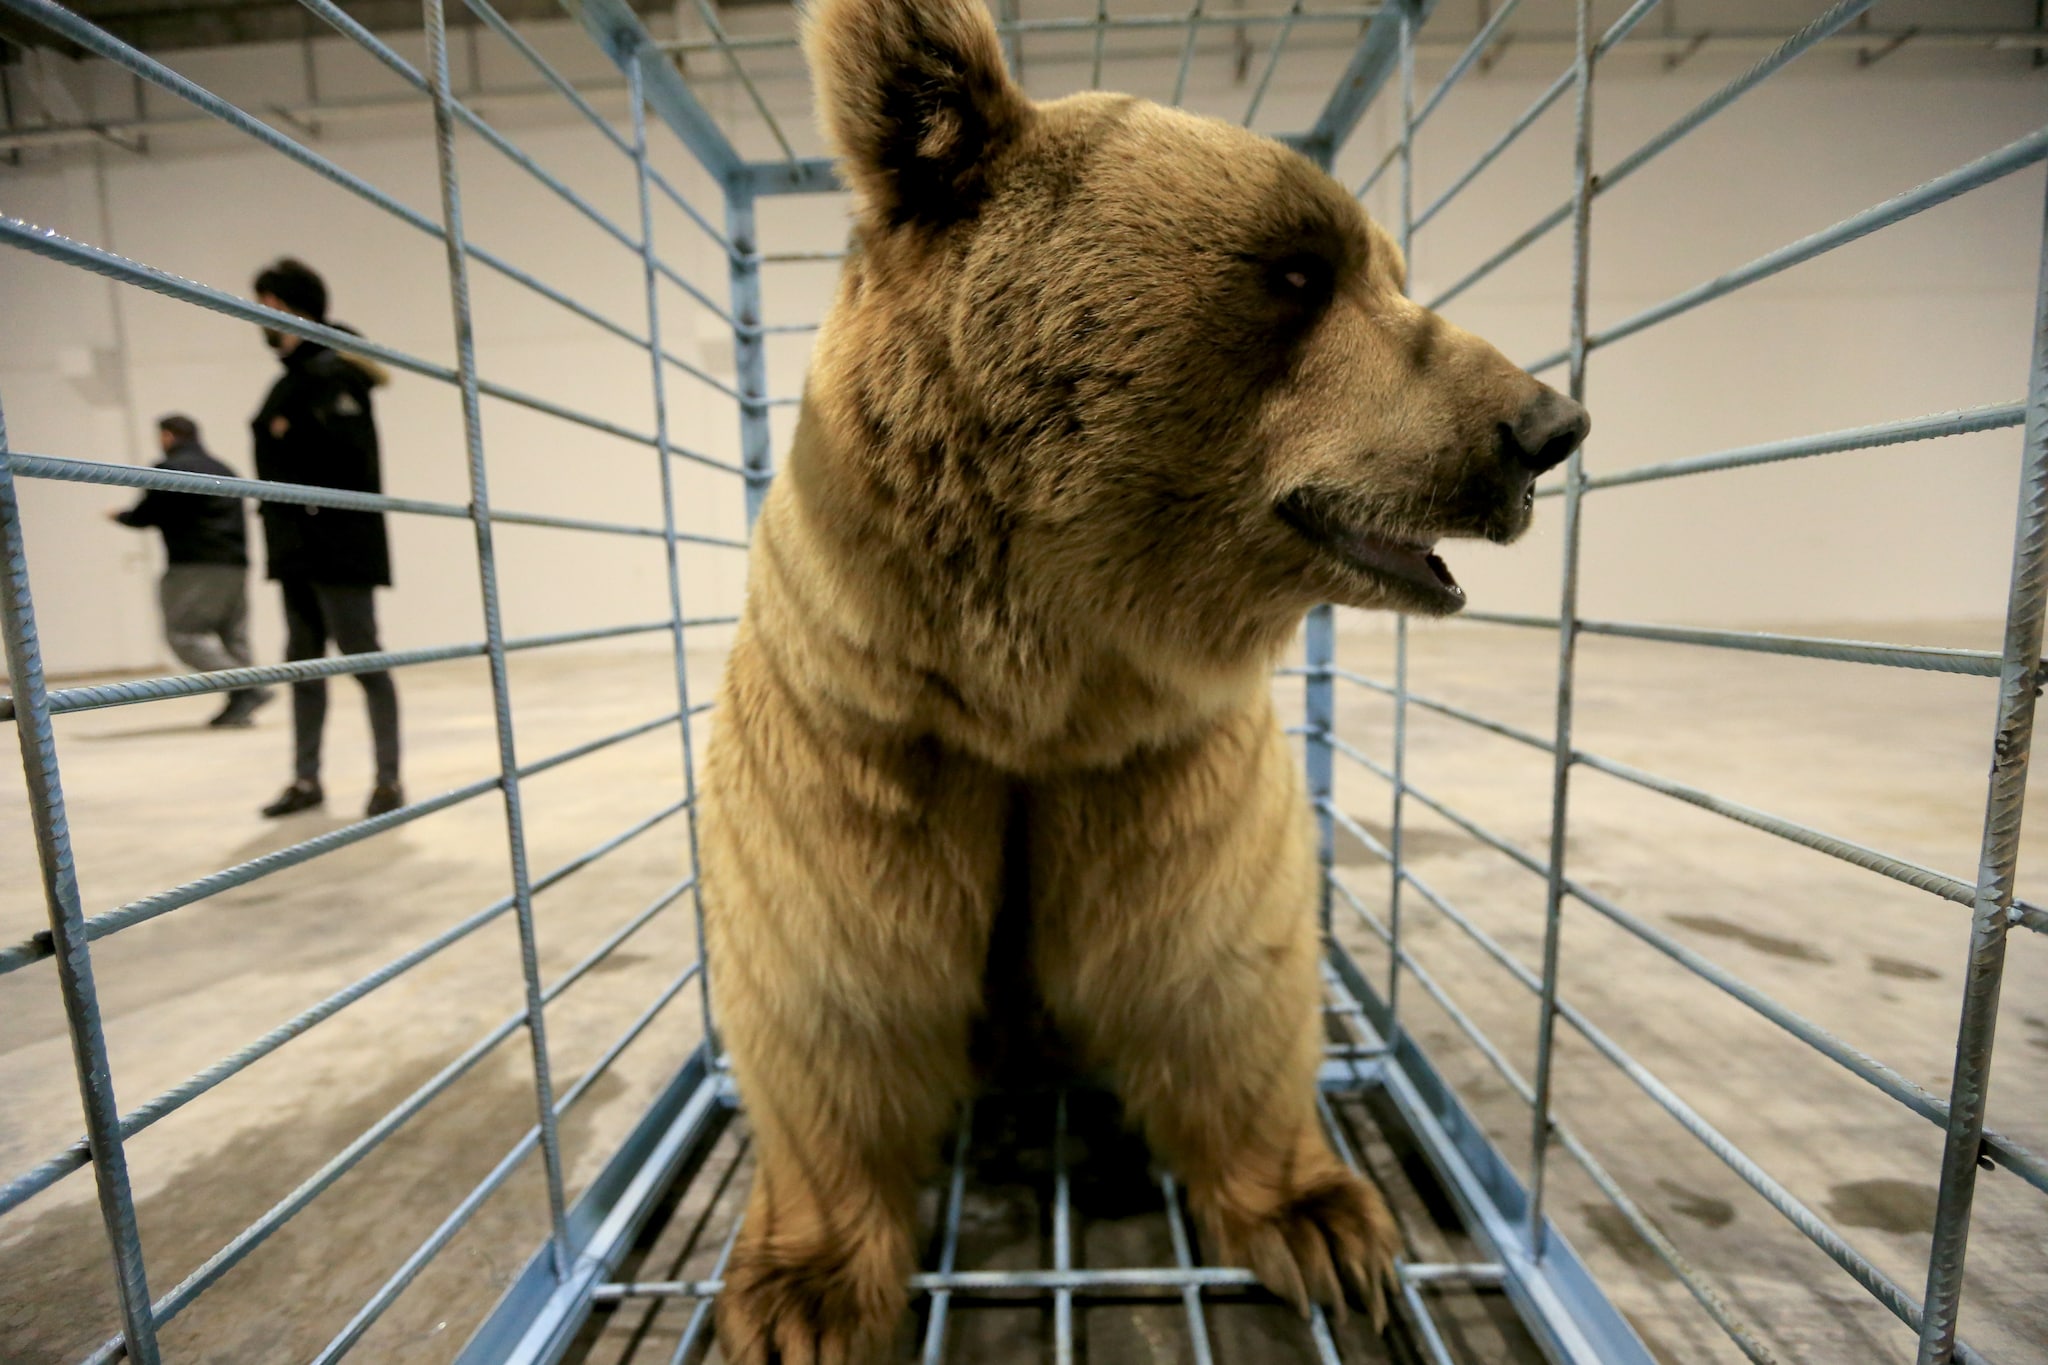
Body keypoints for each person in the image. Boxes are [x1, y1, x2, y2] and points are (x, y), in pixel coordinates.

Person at [248, 257, 404, 820]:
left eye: (271, 306)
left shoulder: (335, 373)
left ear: (298, 309)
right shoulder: (290, 382)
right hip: (293, 546)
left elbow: (346, 459)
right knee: (302, 667)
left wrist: (298, 435)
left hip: (339, 543)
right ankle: (306, 778)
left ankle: (388, 780)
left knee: (364, 660)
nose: (261, 317)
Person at [111, 415, 273, 728]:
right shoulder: (225, 469)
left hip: (194, 564)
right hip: (235, 563)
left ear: (169, 436)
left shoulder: (171, 469)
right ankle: (242, 701)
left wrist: (122, 516)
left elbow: (149, 512)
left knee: (184, 634)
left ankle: (250, 688)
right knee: (233, 636)